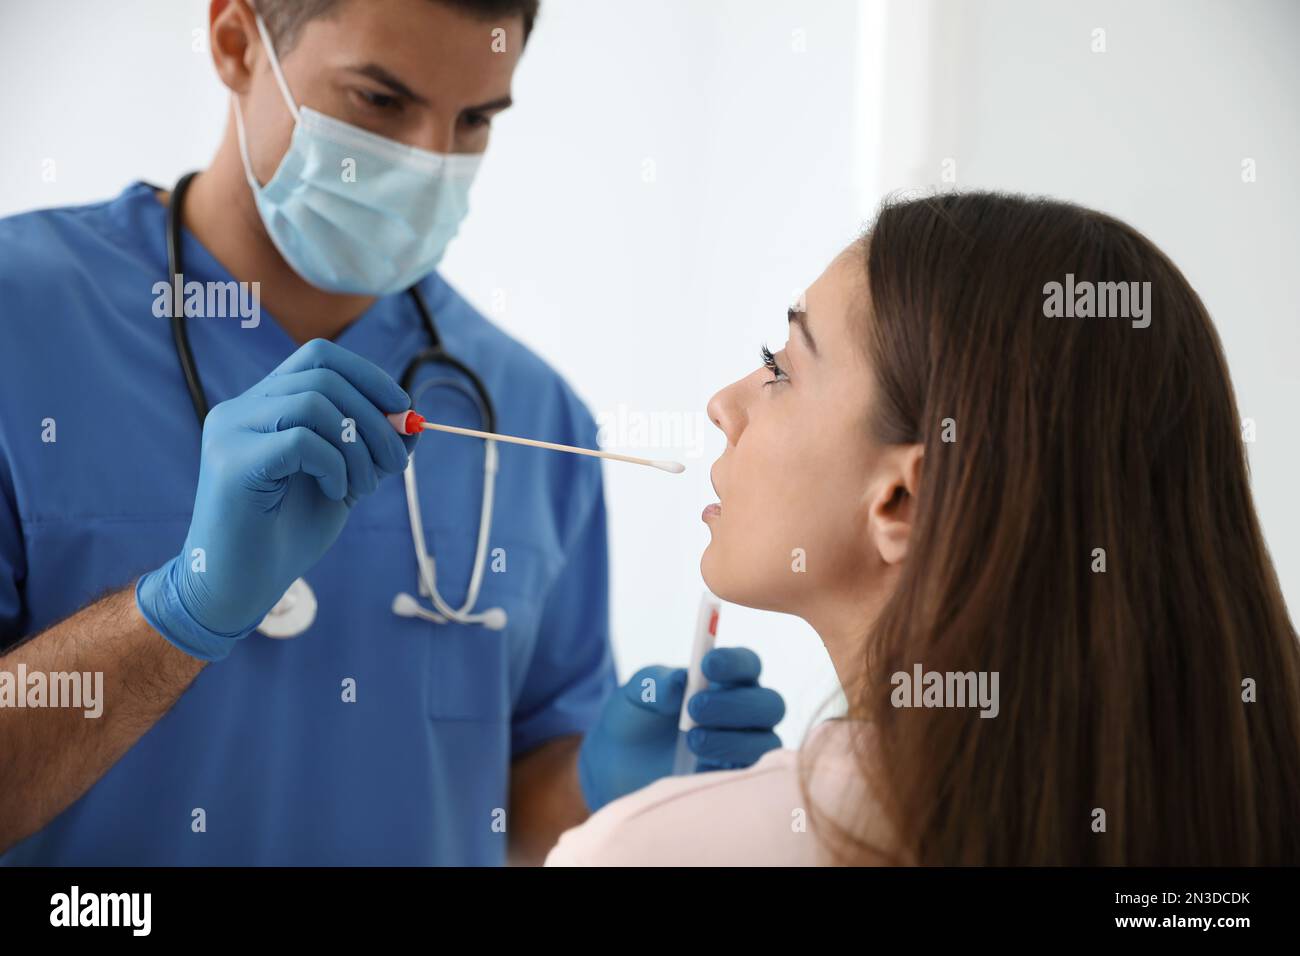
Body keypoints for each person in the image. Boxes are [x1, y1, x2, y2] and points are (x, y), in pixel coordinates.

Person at [0, 0, 783, 866]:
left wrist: (610, 788)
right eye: (379, 101)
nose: (428, 161)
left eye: (474, 118)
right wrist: (177, 613)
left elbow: (509, 811)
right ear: (233, 41)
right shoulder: (22, 321)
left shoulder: (528, 412)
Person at [546, 192, 1300, 866]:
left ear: (901, 501)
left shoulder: (658, 848)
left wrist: (651, 829)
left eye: (778, 369)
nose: (723, 404)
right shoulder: (1237, 806)